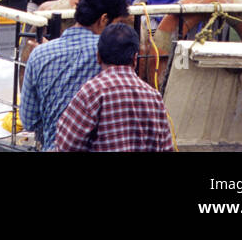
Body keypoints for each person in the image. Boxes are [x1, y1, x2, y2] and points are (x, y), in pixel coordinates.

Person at [19, 0, 129, 150]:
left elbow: (29, 120)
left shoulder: (39, 54)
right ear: (104, 19)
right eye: (119, 24)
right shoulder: (112, 52)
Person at [53, 23, 175, 152]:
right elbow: (166, 147)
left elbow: (65, 145)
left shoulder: (92, 92)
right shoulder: (154, 97)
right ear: (135, 59)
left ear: (98, 57)